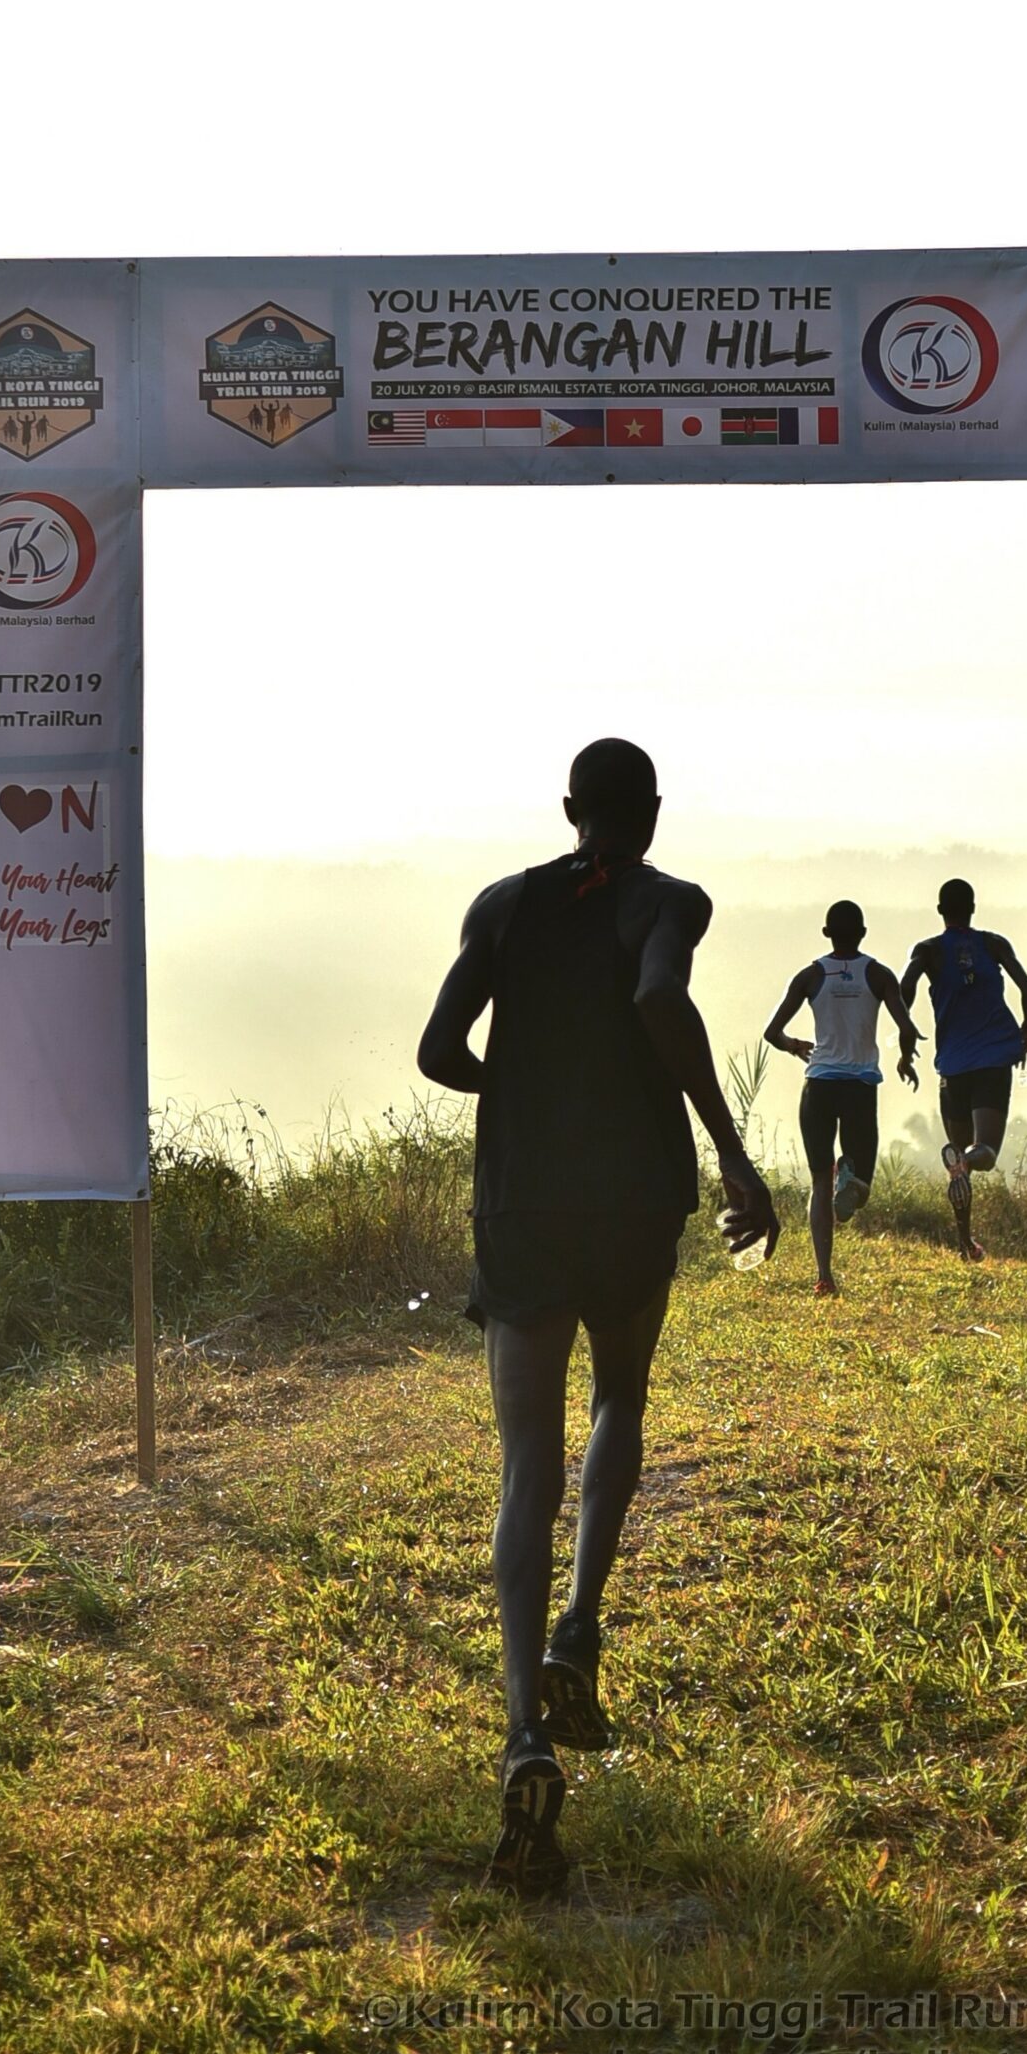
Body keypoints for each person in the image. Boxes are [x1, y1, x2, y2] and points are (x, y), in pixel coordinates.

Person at [417, 737, 779, 1894]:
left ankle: (524, 1726)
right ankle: (580, 1626)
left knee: (525, 1460)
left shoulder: (501, 905)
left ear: (570, 808)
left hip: (522, 1199)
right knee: (620, 1394)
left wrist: (526, 1085)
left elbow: (438, 1051)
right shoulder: (671, 898)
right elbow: (659, 994)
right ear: (655, 814)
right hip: (629, 1193)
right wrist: (729, 1150)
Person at [763, 900, 921, 1298]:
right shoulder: (879, 974)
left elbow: (772, 1032)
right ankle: (849, 1178)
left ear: (826, 933)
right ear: (864, 933)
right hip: (860, 1086)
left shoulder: (811, 975)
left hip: (818, 1085)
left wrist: (794, 1045)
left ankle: (824, 1275)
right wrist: (904, 1057)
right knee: (862, 1185)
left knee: (818, 1180)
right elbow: (907, 1026)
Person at [900, 880, 1027, 1263]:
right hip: (993, 1059)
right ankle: (965, 1160)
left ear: (940, 909)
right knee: (986, 1153)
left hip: (953, 1066)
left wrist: (905, 1028)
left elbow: (905, 986)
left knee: (960, 1170)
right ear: (973, 908)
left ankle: (965, 1243)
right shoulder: (994, 944)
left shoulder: (928, 951)